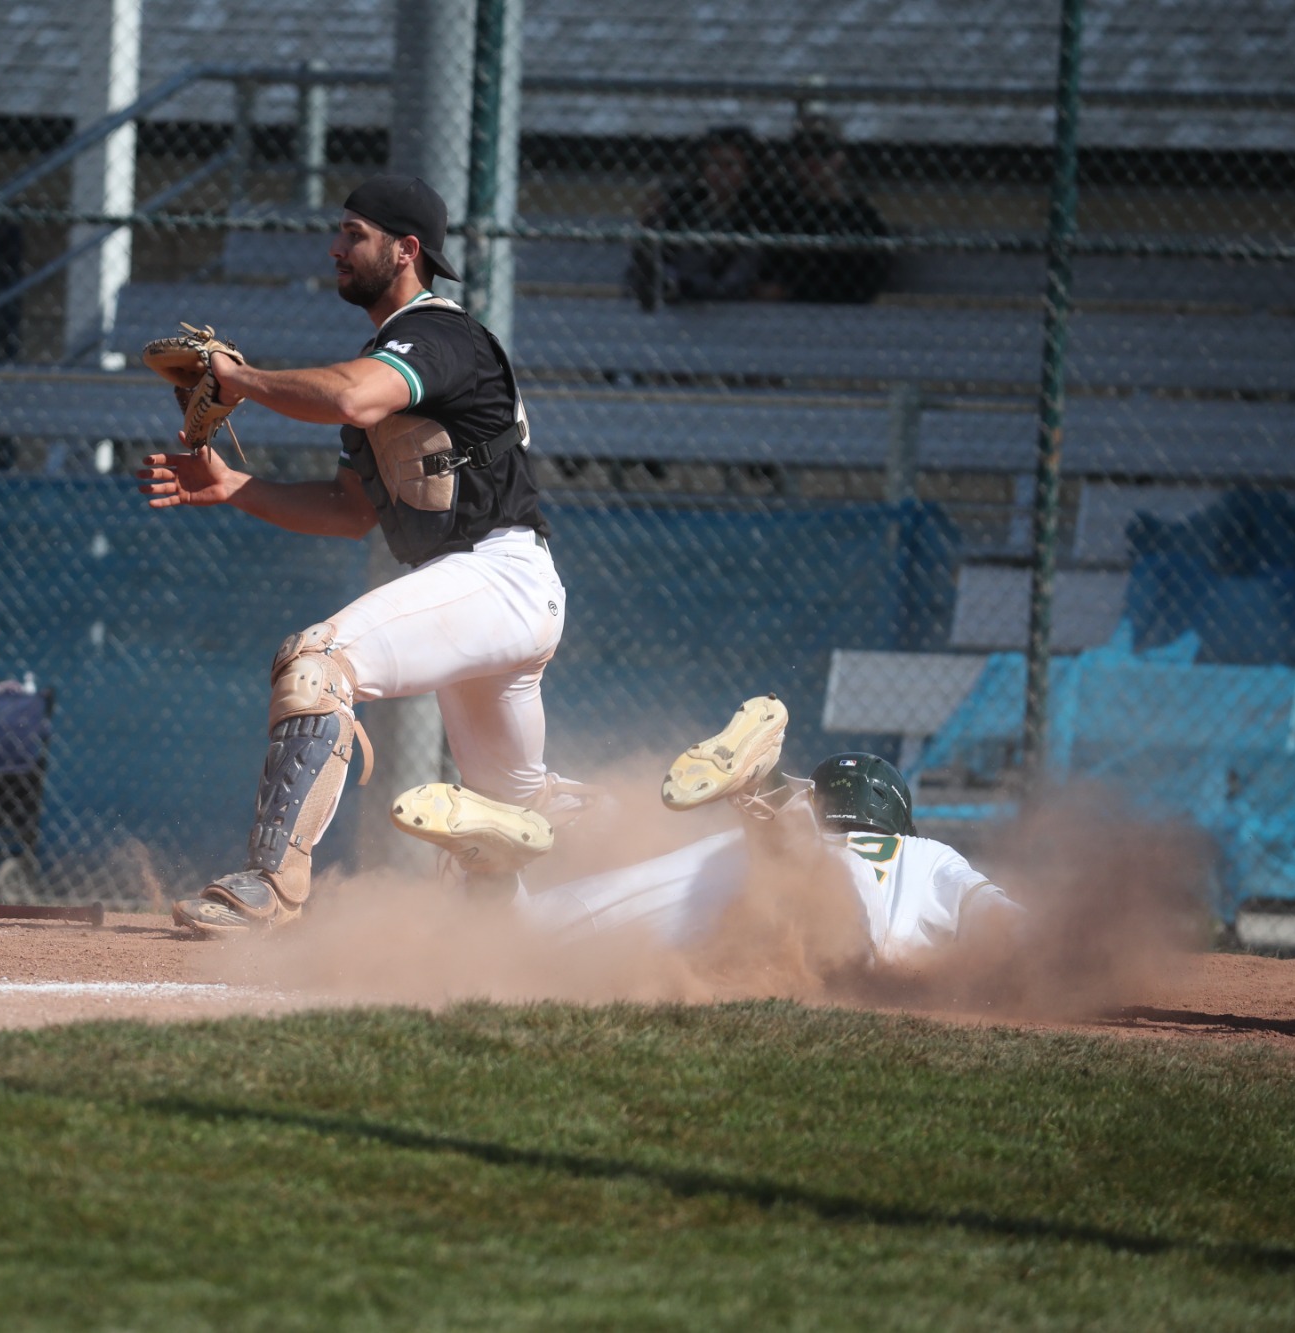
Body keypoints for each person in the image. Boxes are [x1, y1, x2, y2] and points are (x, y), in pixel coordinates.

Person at [137, 174, 571, 936]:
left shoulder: (438, 336)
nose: (336, 247)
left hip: (499, 575)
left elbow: (348, 399)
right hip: (483, 592)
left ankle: (273, 886)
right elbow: (347, 512)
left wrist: (237, 378)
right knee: (509, 820)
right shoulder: (388, 356)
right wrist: (236, 484)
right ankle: (690, 843)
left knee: (317, 662)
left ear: (405, 251)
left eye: (354, 234)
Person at [390, 694, 1023, 965]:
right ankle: (760, 797)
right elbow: (1007, 928)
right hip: (826, 911)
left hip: (735, 870)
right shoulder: (927, 854)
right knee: (837, 934)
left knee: (530, 936)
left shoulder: (726, 854)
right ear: (894, 817)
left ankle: (495, 870)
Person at [627, 125, 774, 308]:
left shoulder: (758, 212)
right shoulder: (684, 205)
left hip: (725, 297)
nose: (718, 172)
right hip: (676, 286)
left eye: (729, 165)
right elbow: (659, 255)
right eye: (711, 163)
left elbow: (742, 273)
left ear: (747, 170)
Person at [758, 118, 891, 305]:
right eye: (805, 152)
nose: (814, 159)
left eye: (824, 151)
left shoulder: (862, 216)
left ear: (840, 156)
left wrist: (792, 290)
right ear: (791, 158)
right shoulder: (777, 208)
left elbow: (866, 281)